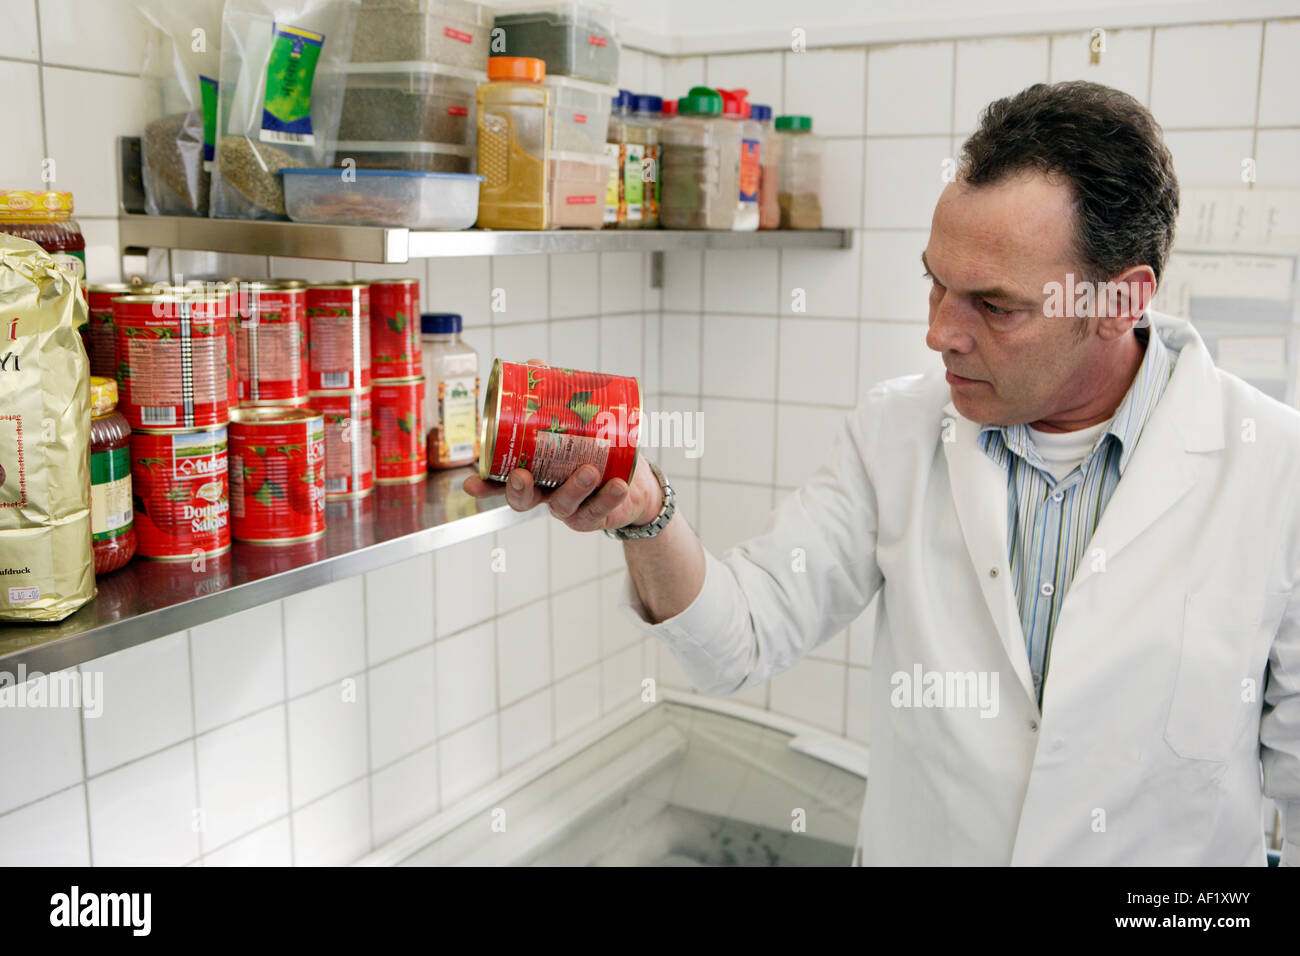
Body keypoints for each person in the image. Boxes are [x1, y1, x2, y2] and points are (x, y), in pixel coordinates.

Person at [463, 81, 1300, 866]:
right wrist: (644, 511)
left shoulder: (1275, 470)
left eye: (996, 306)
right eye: (935, 285)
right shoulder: (898, 433)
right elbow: (741, 639)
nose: (940, 334)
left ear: (1120, 302)